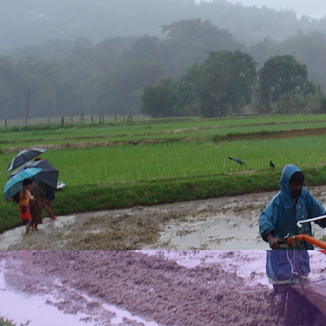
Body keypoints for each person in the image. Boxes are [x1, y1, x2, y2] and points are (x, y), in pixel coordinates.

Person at [259, 164, 326, 317]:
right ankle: (282, 315)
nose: (297, 187)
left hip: (301, 248)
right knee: (285, 284)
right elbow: (264, 218)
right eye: (294, 184)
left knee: (301, 283)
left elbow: (320, 215)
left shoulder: (305, 196)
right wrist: (270, 237)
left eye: (299, 184)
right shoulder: (278, 201)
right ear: (287, 184)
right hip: (282, 249)